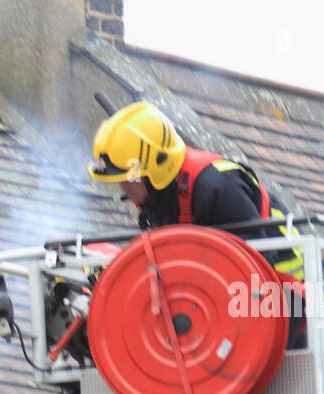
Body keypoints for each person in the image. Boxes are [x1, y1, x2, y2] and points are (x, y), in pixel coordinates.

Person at [88, 101, 307, 344]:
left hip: (282, 296)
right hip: (231, 299)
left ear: (156, 169)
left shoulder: (216, 186)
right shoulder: (160, 198)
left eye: (128, 179)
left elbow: (255, 262)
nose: (123, 188)